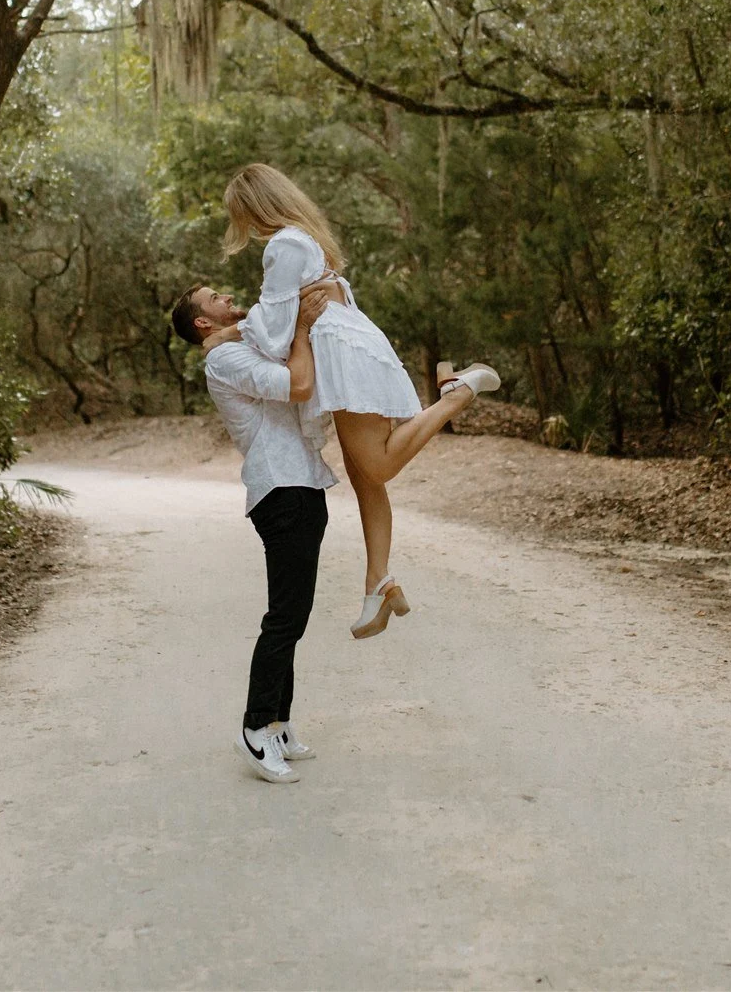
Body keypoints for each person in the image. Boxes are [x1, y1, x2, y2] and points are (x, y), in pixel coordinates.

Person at [223, 163, 499, 639]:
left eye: (240, 213)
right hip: (346, 344)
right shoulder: (305, 240)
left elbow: (272, 331)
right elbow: (287, 315)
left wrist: (229, 333)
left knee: (378, 465)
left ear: (254, 205)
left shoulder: (284, 245)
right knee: (362, 473)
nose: (241, 225)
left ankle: (455, 395)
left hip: (341, 351)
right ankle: (379, 583)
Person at [171, 277, 341, 783]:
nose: (226, 297)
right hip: (280, 489)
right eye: (214, 299)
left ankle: (279, 722)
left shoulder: (236, 343)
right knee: (285, 618)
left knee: (295, 614)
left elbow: (265, 328)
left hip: (302, 482)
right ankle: (254, 728)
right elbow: (300, 385)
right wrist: (305, 328)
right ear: (203, 321)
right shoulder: (223, 360)